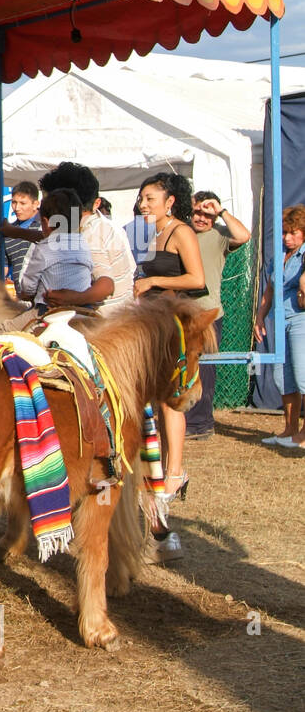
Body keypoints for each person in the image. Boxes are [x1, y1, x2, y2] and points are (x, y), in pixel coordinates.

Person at [133, 171, 204, 524]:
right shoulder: (150, 232)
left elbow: (197, 279)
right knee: (152, 397)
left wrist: (153, 280)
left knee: (170, 398)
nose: (143, 204)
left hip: (176, 323)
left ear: (170, 201)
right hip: (151, 322)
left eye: (150, 198)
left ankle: (175, 472)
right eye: (142, 199)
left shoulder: (182, 232)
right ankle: (154, 467)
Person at [184, 191, 251, 439]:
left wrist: (221, 212)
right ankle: (182, 419)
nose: (201, 217)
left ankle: (201, 424)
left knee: (205, 368)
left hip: (209, 314)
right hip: (182, 314)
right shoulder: (181, 233)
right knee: (181, 366)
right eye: (197, 212)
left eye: (206, 213)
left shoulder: (220, 235)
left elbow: (244, 236)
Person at [38, 163, 135, 315]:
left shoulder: (89, 236)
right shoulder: (95, 224)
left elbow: (106, 285)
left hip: (103, 324)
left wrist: (73, 298)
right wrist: (16, 232)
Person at [254, 204, 305, 448]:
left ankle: (304, 434)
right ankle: (289, 429)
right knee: (282, 377)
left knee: (303, 376)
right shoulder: (278, 255)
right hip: (278, 319)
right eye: (285, 232)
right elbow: (270, 290)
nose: (287, 237)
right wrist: (260, 316)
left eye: (293, 232)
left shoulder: (304, 255)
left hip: (300, 319)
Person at [13, 188, 93, 310]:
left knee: (5, 327)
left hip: (48, 309)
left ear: (45, 222)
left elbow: (28, 287)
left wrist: (25, 294)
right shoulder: (83, 244)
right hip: (85, 307)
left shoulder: (45, 247)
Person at [0, 181, 42, 283]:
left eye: (22, 203)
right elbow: (1, 269)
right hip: (21, 295)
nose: (17, 208)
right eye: (14, 202)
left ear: (35, 204)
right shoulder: (8, 233)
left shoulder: (46, 226)